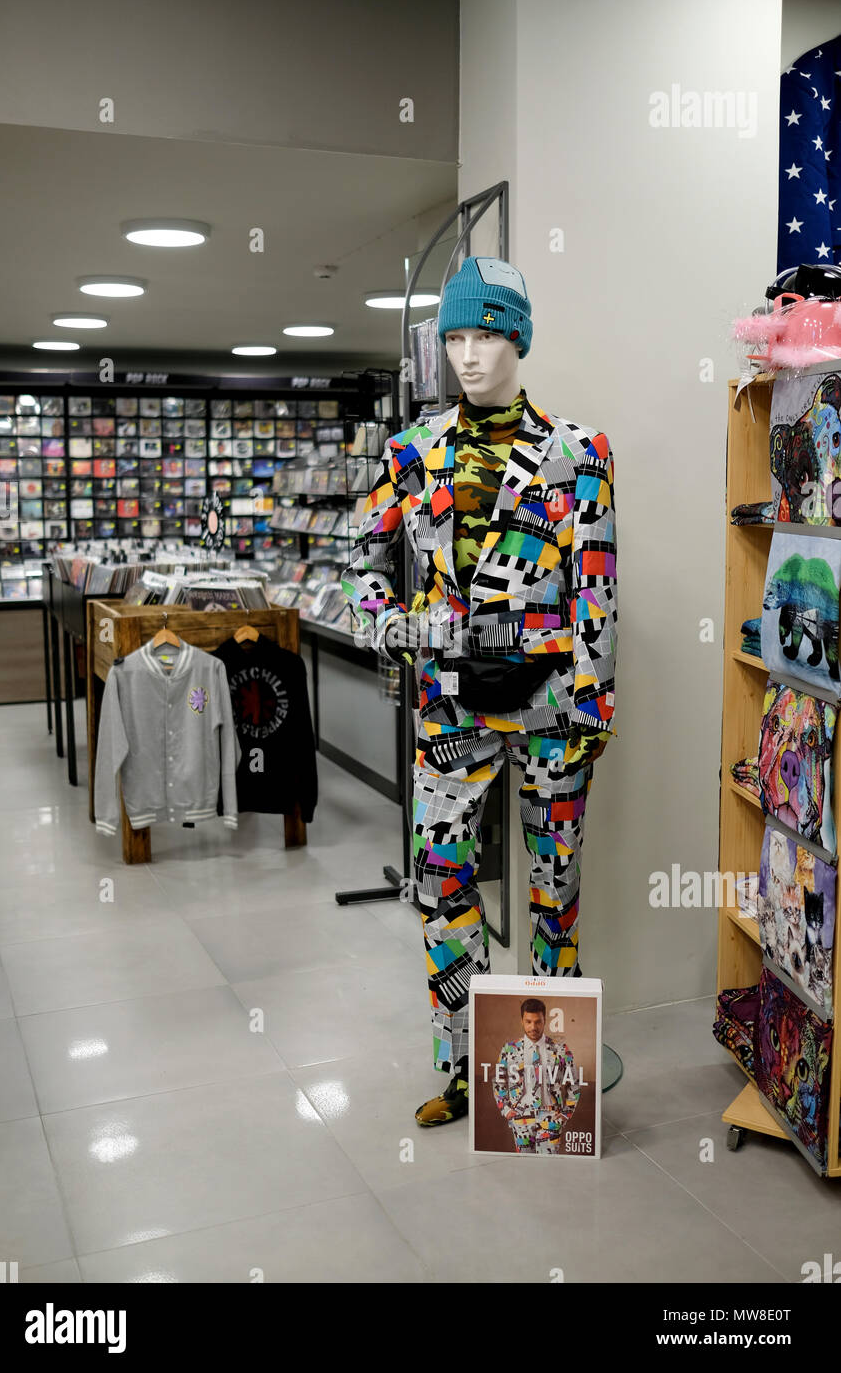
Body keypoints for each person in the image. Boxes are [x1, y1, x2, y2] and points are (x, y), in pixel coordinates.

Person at [341, 256, 617, 1125]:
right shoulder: (410, 452)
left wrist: (592, 707)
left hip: (549, 708)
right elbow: (360, 561)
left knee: (554, 890)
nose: (468, 355)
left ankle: (552, 1076)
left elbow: (597, 585)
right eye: (454, 337)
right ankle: (460, 1065)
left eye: (487, 334)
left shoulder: (579, 453)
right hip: (449, 705)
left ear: (519, 337)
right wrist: (397, 629)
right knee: (440, 883)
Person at [492, 998, 581, 1154]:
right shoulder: (509, 1050)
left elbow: (574, 1082)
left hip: (551, 1116)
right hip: (520, 1116)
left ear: (545, 1020)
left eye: (538, 1022)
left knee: (548, 1165)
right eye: (528, 1022)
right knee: (524, 1165)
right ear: (522, 1021)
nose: (533, 1027)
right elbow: (498, 1081)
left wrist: (566, 1113)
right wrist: (505, 1109)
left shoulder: (560, 1049)